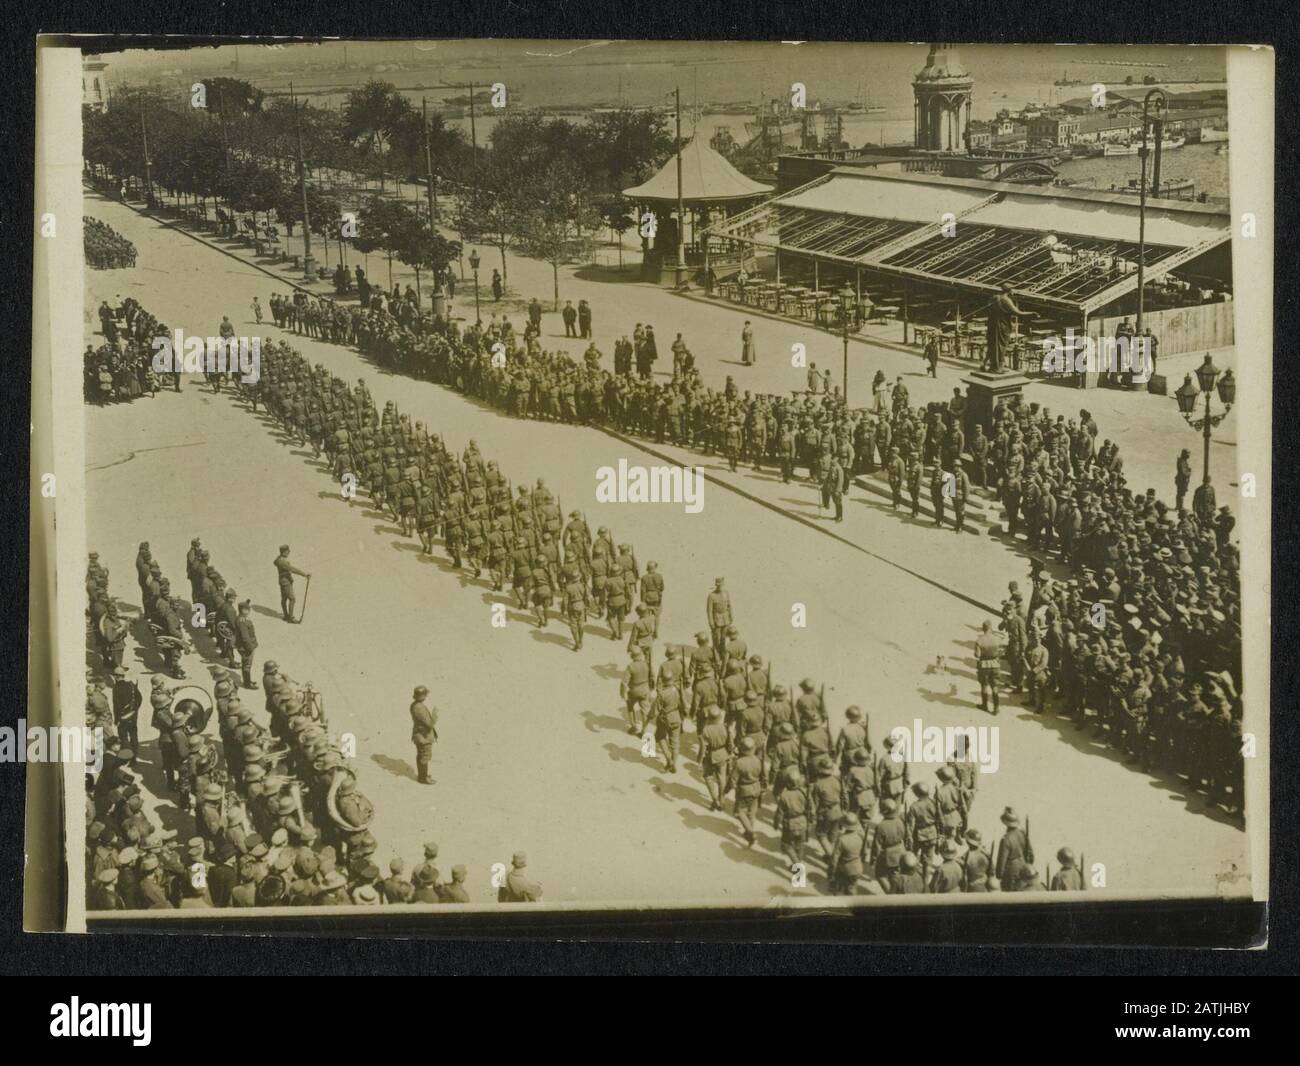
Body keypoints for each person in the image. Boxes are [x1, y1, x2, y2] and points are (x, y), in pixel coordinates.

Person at [985, 283, 1024, 372]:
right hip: (1003, 326)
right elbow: (1017, 312)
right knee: (1001, 345)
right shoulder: (1006, 300)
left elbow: (989, 308)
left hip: (993, 324)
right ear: (1009, 290)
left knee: (994, 345)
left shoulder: (994, 297)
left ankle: (995, 365)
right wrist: (1032, 313)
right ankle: (998, 367)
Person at [409, 685, 438, 785]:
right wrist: (434, 715)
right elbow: (430, 723)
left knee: (422, 755)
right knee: (424, 756)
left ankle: (423, 775)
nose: (426, 696)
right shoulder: (419, 707)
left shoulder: (416, 705)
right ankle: (423, 778)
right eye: (425, 694)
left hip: (421, 735)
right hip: (423, 736)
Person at [273, 545, 310, 623]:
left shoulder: (279, 559)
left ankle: (286, 616)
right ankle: (290, 618)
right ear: (284, 552)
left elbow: (275, 562)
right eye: (287, 551)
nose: (289, 552)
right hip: (286, 582)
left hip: (284, 581)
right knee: (292, 599)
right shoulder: (282, 561)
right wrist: (304, 574)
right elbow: (292, 569)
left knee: (284, 598)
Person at [975, 620, 1002, 714]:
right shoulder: (998, 639)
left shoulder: (979, 640)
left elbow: (977, 655)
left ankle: (985, 705)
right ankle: (996, 708)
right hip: (995, 665)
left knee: (984, 685)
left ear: (983, 628)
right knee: (995, 686)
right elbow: (1001, 652)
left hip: (984, 665)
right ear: (991, 628)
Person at [234, 600, 258, 689]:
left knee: (246, 664)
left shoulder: (240, 618)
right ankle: (247, 684)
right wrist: (250, 648)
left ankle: (247, 680)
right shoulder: (242, 622)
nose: (249, 611)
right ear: (242, 610)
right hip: (246, 647)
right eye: (247, 609)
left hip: (243, 646)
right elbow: (245, 638)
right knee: (247, 665)